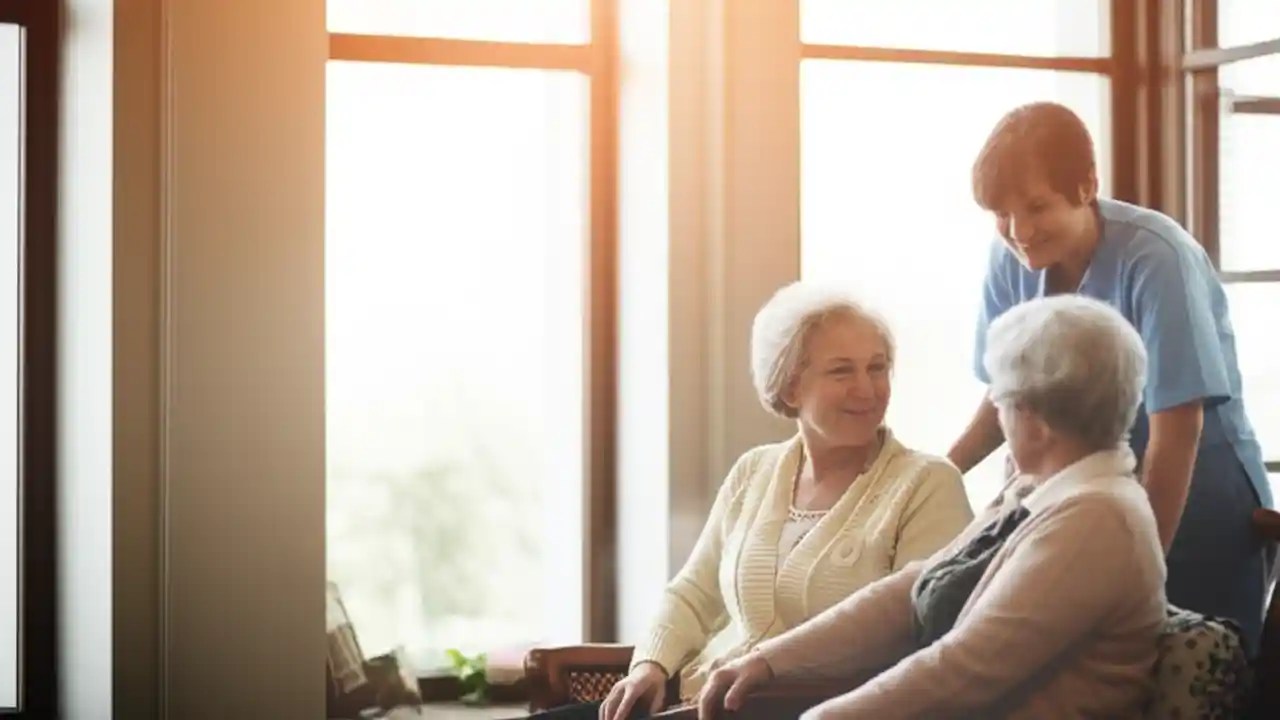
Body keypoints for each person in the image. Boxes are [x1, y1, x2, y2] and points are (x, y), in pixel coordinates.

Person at [698, 295, 1167, 719]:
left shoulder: (1095, 519)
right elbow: (913, 587)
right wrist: (769, 659)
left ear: (1037, 421)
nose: (997, 421)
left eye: (1001, 402)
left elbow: (964, 668)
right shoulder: (1035, 493)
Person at [526, 282, 973, 719]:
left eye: (877, 368)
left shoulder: (928, 483)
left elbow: (909, 629)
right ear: (790, 386)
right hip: (700, 702)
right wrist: (651, 664)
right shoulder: (754, 471)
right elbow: (693, 593)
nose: (868, 388)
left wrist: (767, 664)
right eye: (842, 371)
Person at [946, 101, 1274, 655]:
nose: (1019, 231)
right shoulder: (1011, 260)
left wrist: (1137, 567)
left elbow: (1178, 426)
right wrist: (933, 475)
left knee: (1191, 676)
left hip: (1191, 499)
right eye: (1002, 213)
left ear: (1087, 186)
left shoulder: (1155, 257)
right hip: (1082, 502)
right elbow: (1006, 398)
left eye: (1036, 207)